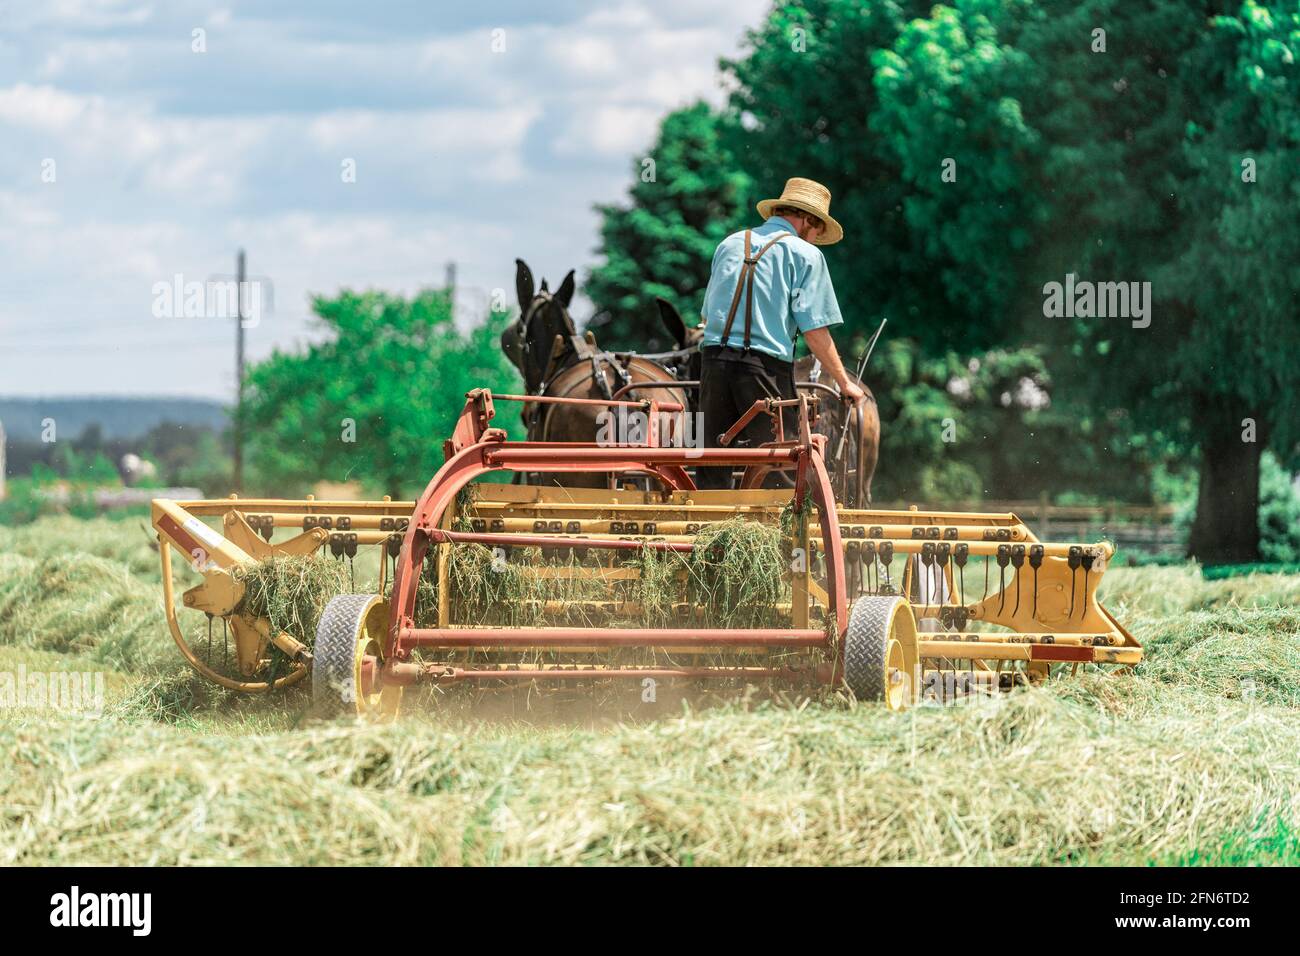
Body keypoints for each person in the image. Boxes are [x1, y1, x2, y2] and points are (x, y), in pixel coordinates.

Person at [696, 177, 865, 489]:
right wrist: (844, 383)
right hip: (764, 372)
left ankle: (710, 530)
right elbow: (814, 330)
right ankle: (781, 536)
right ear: (806, 220)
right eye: (816, 232)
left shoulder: (729, 244)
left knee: (711, 463)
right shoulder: (805, 255)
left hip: (713, 364)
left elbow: (707, 316)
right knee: (780, 469)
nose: (814, 240)